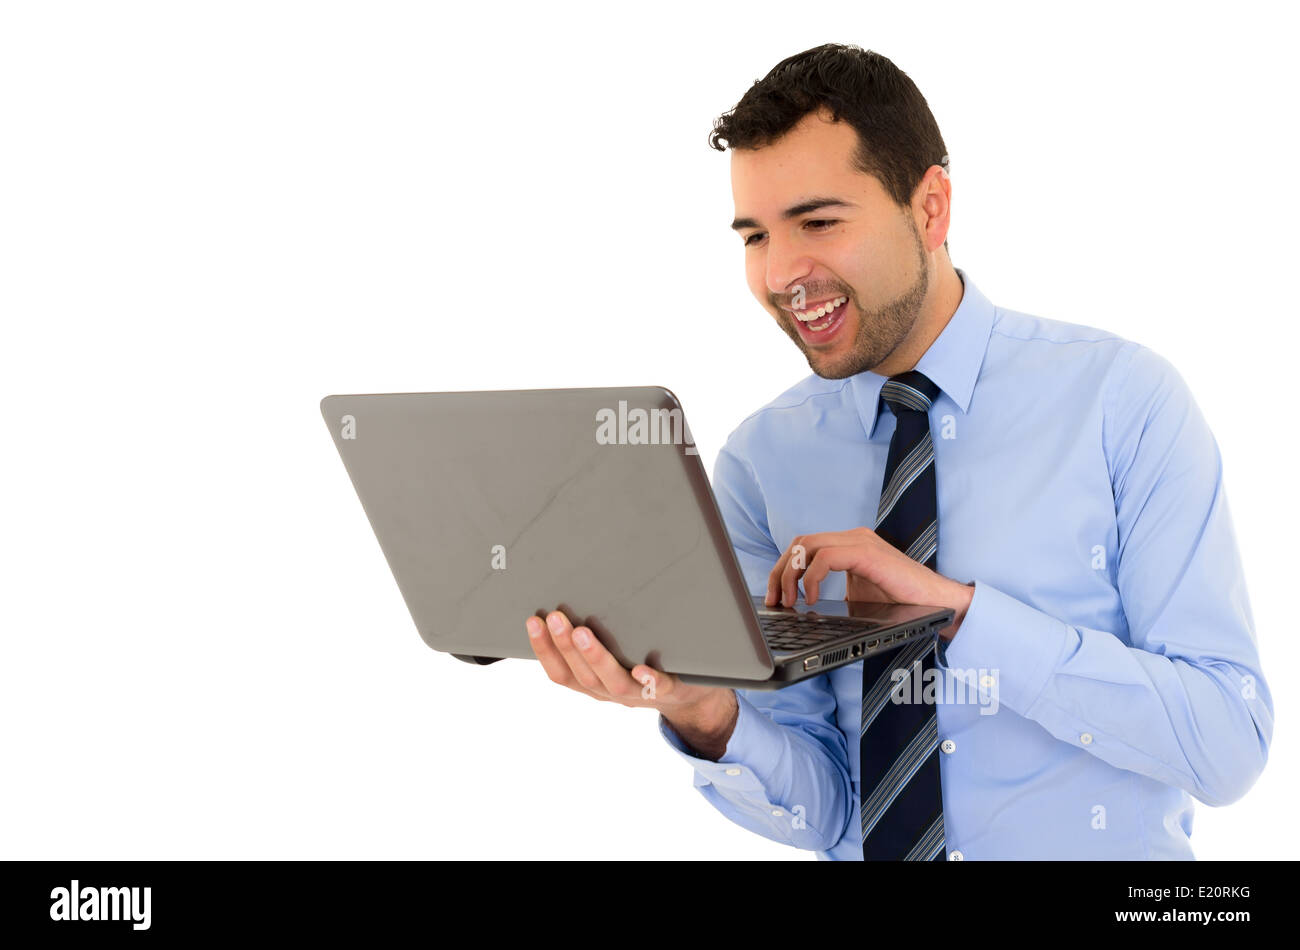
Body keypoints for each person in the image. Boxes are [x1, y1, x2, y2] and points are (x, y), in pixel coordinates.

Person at [522, 43, 1272, 860]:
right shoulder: (760, 465)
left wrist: (957, 611)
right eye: (754, 236)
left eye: (817, 223)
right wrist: (707, 714)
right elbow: (835, 811)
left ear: (931, 208)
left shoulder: (1121, 402)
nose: (782, 274)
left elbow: (1227, 745)